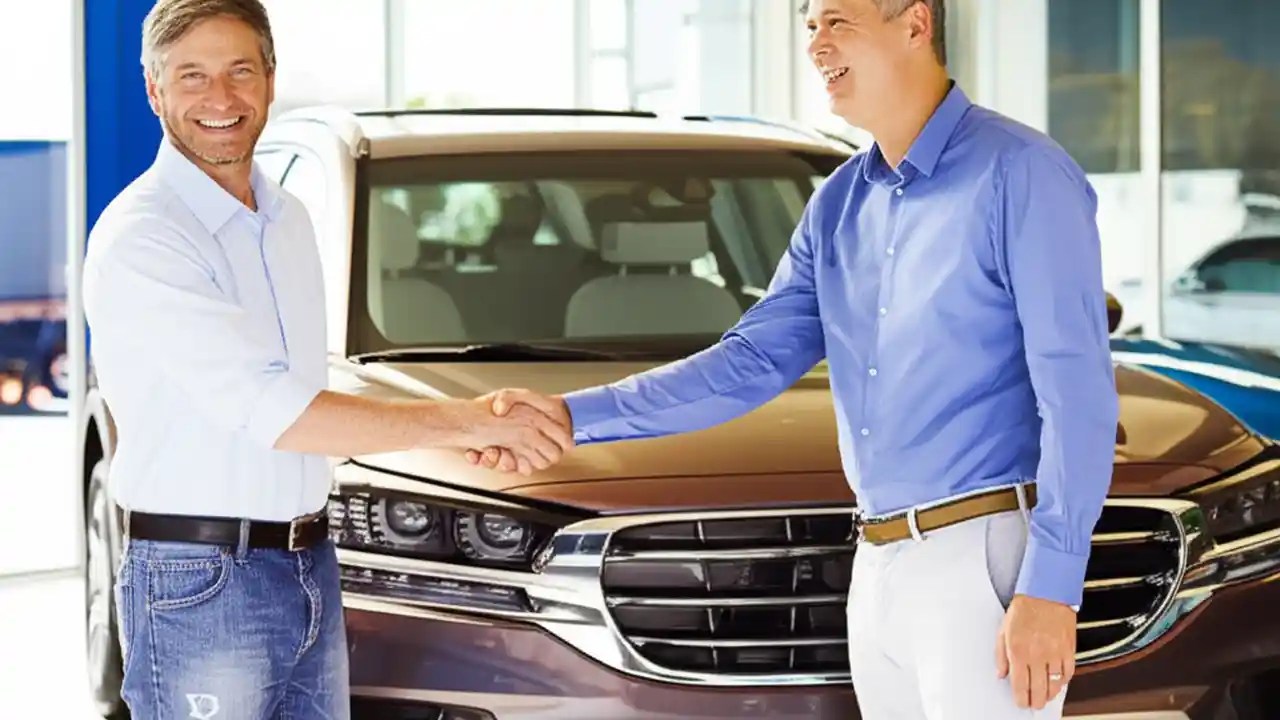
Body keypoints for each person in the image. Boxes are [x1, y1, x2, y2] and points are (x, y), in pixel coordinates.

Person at [467, 0, 1118, 717]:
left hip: (984, 557)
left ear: (916, 23)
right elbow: (745, 365)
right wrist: (566, 416)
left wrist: (1052, 586)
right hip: (877, 564)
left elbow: (1078, 396)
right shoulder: (839, 203)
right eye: (808, 25)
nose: (816, 43)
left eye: (838, 21)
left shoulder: (1021, 174)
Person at [81, 1, 571, 717]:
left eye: (239, 71)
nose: (220, 99)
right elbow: (273, 410)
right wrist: (470, 424)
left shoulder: (287, 219)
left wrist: (470, 433)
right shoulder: (144, 237)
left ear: (271, 81)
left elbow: (315, 392)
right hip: (200, 583)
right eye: (192, 77)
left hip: (309, 561)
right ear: (155, 91)